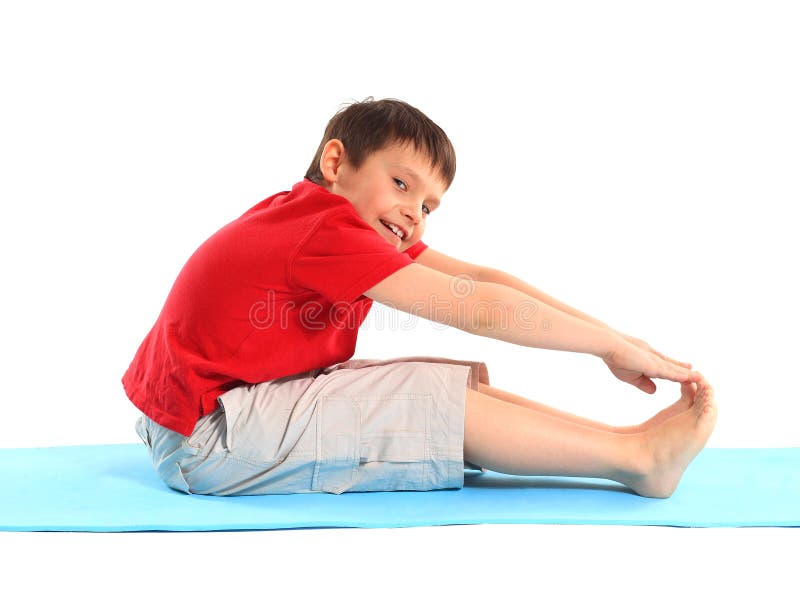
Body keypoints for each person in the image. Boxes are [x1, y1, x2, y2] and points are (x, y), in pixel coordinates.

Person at [123, 97, 717, 499]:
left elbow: (484, 280)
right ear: (336, 162)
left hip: (215, 417)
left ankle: (628, 443)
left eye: (429, 206)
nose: (414, 211)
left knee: (436, 379)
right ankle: (638, 462)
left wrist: (616, 341)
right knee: (414, 398)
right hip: (202, 442)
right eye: (402, 184)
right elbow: (474, 307)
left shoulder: (322, 223)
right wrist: (603, 346)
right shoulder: (322, 230)